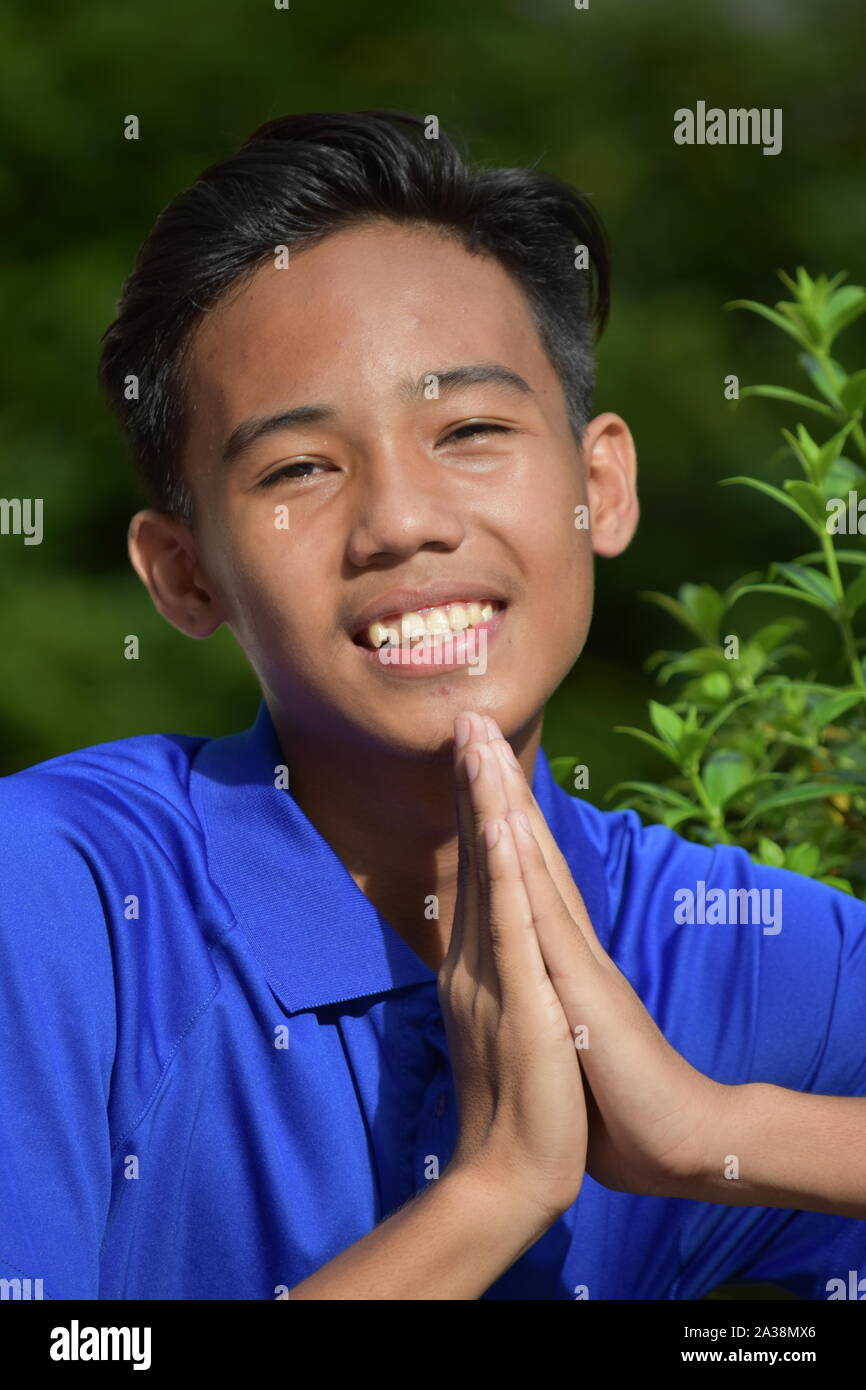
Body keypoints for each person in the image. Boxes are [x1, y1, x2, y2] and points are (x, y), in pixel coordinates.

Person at [0, 110, 863, 1302]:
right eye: (299, 466)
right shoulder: (62, 897)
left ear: (598, 486)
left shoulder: (752, 952)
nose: (402, 519)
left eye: (468, 429)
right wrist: (497, 1188)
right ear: (184, 572)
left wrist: (719, 1125)